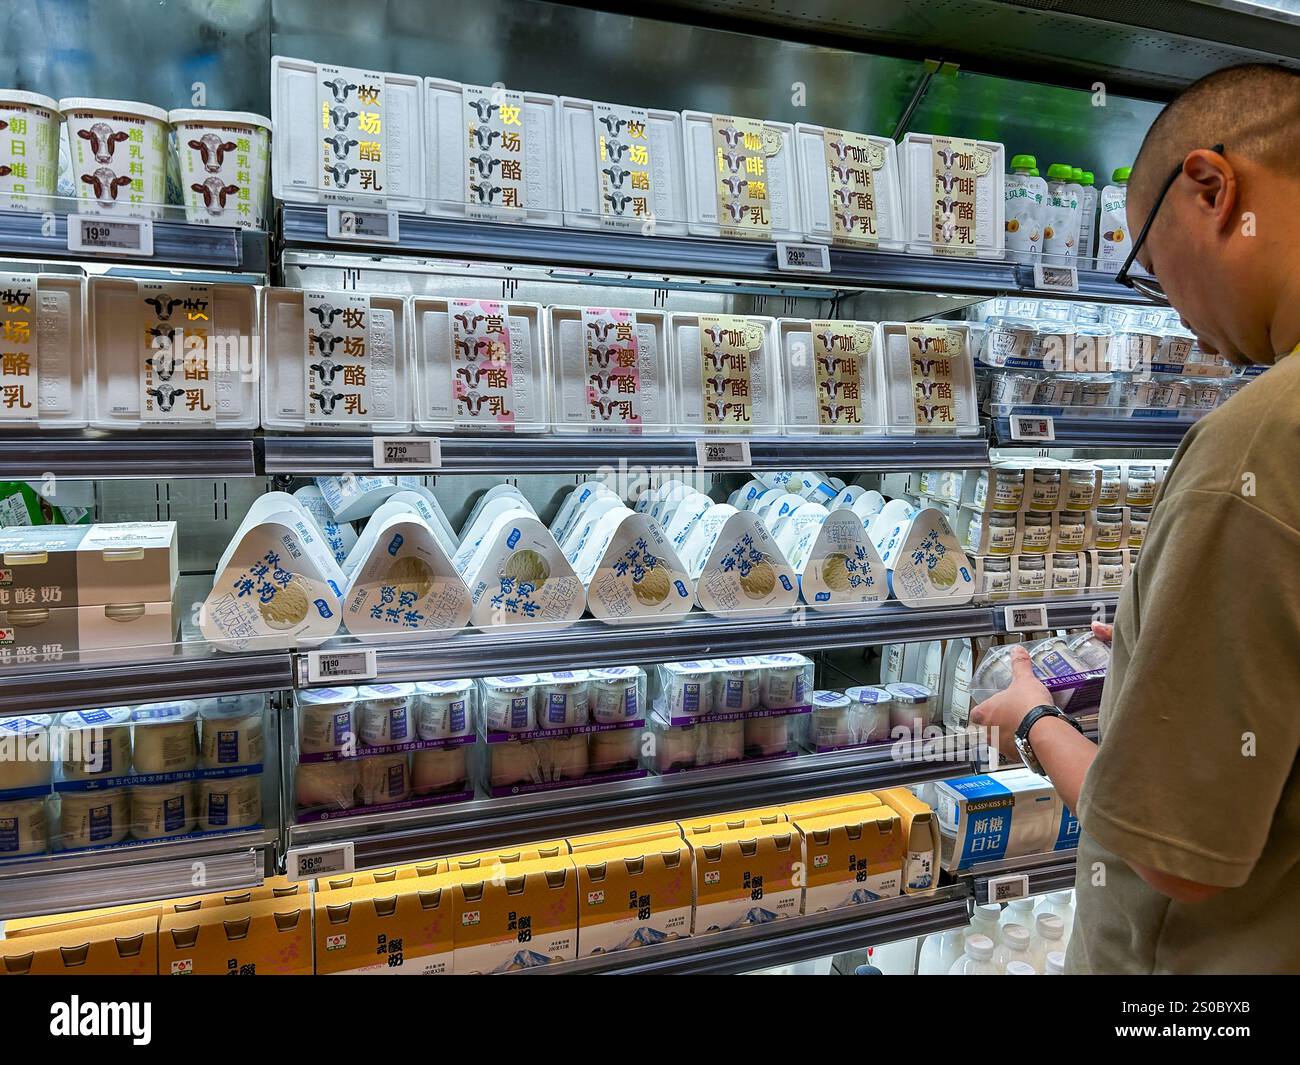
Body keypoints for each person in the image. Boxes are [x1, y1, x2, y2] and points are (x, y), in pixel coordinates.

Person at [970, 63, 1300, 974]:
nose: (1188, 331)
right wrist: (1174, 655)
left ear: (1211, 187)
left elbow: (1171, 856)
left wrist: (1039, 720)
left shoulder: (1260, 444)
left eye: (1155, 270)